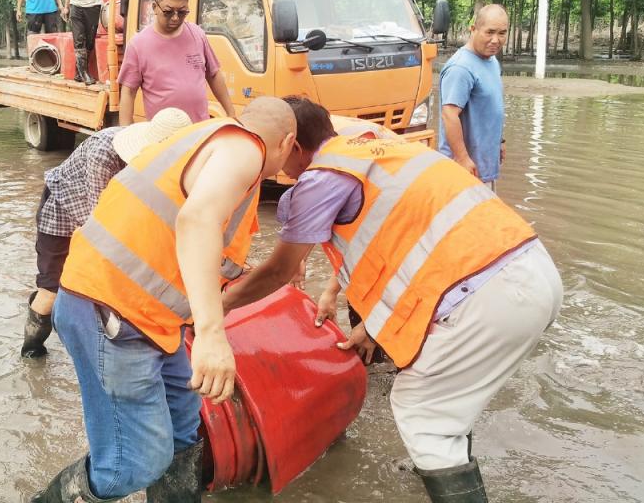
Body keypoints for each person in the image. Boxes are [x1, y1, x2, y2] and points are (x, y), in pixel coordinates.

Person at [221, 97, 563, 503]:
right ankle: (436, 463)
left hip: (489, 297)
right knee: (446, 396)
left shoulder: (319, 180)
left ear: (292, 145)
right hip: (531, 269)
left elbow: (278, 272)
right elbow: (398, 244)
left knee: (420, 410)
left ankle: (440, 464)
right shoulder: (372, 142)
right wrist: (367, 319)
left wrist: (215, 310)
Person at [30, 97, 297, 503]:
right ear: (287, 142)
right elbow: (197, 220)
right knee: (132, 466)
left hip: (148, 318)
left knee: (183, 432)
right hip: (110, 312)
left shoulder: (204, 140)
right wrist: (211, 334)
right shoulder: (246, 147)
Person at [21, 107, 193, 358]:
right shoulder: (104, 152)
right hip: (63, 209)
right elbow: (100, 222)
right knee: (51, 291)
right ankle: (32, 350)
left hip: (107, 213)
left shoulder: (172, 165)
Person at [118, 0, 236, 125]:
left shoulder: (197, 34)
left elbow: (213, 74)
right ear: (155, 7)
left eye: (182, 12)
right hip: (164, 136)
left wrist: (231, 113)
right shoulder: (138, 45)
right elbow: (128, 92)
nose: (175, 18)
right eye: (168, 12)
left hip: (199, 131)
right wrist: (124, 130)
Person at [438, 4, 509, 189]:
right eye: (490, 32)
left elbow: (489, 107)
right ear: (473, 29)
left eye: (502, 33)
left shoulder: (491, 61)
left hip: (485, 165)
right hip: (465, 170)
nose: (496, 40)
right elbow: (449, 114)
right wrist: (462, 158)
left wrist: (499, 141)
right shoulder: (460, 68)